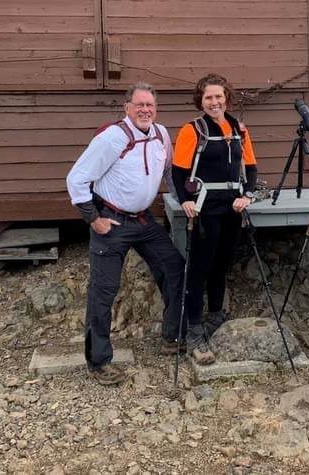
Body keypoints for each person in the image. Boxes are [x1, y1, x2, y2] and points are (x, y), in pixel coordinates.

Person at [66, 82, 186, 386]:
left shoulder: (160, 134)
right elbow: (76, 179)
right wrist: (94, 220)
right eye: (139, 105)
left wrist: (182, 198)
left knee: (174, 267)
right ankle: (99, 361)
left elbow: (170, 172)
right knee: (103, 291)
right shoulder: (112, 138)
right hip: (111, 221)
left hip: (143, 221)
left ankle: (172, 336)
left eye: (150, 105)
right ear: (127, 108)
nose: (145, 110)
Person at [172, 74, 258, 365]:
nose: (214, 102)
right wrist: (185, 200)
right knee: (200, 268)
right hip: (205, 207)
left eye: (219, 96)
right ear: (201, 100)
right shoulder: (192, 130)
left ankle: (216, 317)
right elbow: (179, 171)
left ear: (227, 98)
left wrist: (247, 194)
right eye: (208, 97)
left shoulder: (238, 129)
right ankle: (194, 330)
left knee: (222, 265)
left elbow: (251, 166)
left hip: (232, 207)